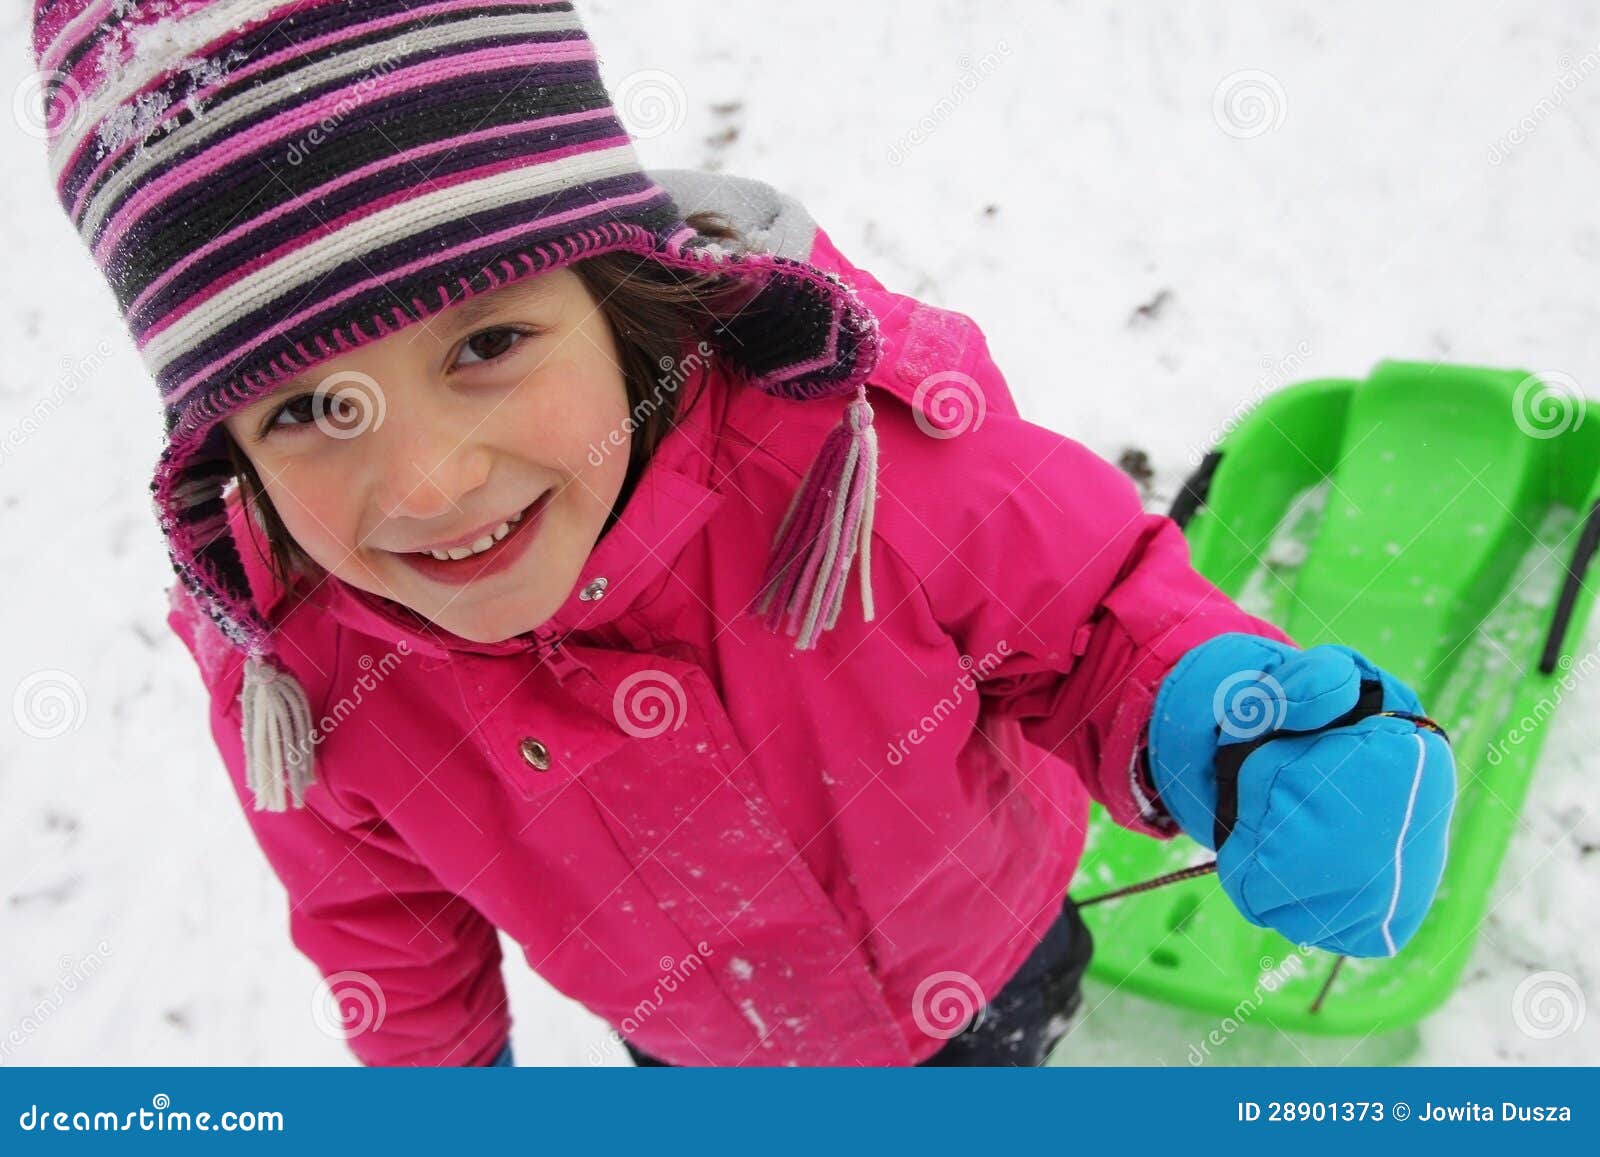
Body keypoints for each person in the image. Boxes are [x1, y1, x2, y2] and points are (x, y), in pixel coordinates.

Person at [32, 0, 1455, 1067]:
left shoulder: (843, 453)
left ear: (612, 286)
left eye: (490, 341)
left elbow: (1088, 622)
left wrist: (1241, 725)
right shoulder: (300, 672)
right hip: (703, 1053)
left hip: (992, 950)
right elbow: (387, 930)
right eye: (304, 411)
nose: (423, 481)